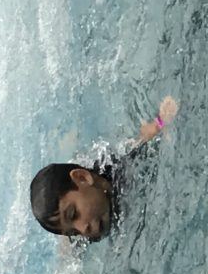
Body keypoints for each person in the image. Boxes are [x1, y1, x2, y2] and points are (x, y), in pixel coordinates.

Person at [29, 96, 179, 241]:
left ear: (82, 178)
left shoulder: (124, 171)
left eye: (74, 214)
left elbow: (149, 134)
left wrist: (161, 121)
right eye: (73, 232)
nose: (83, 229)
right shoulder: (90, 233)